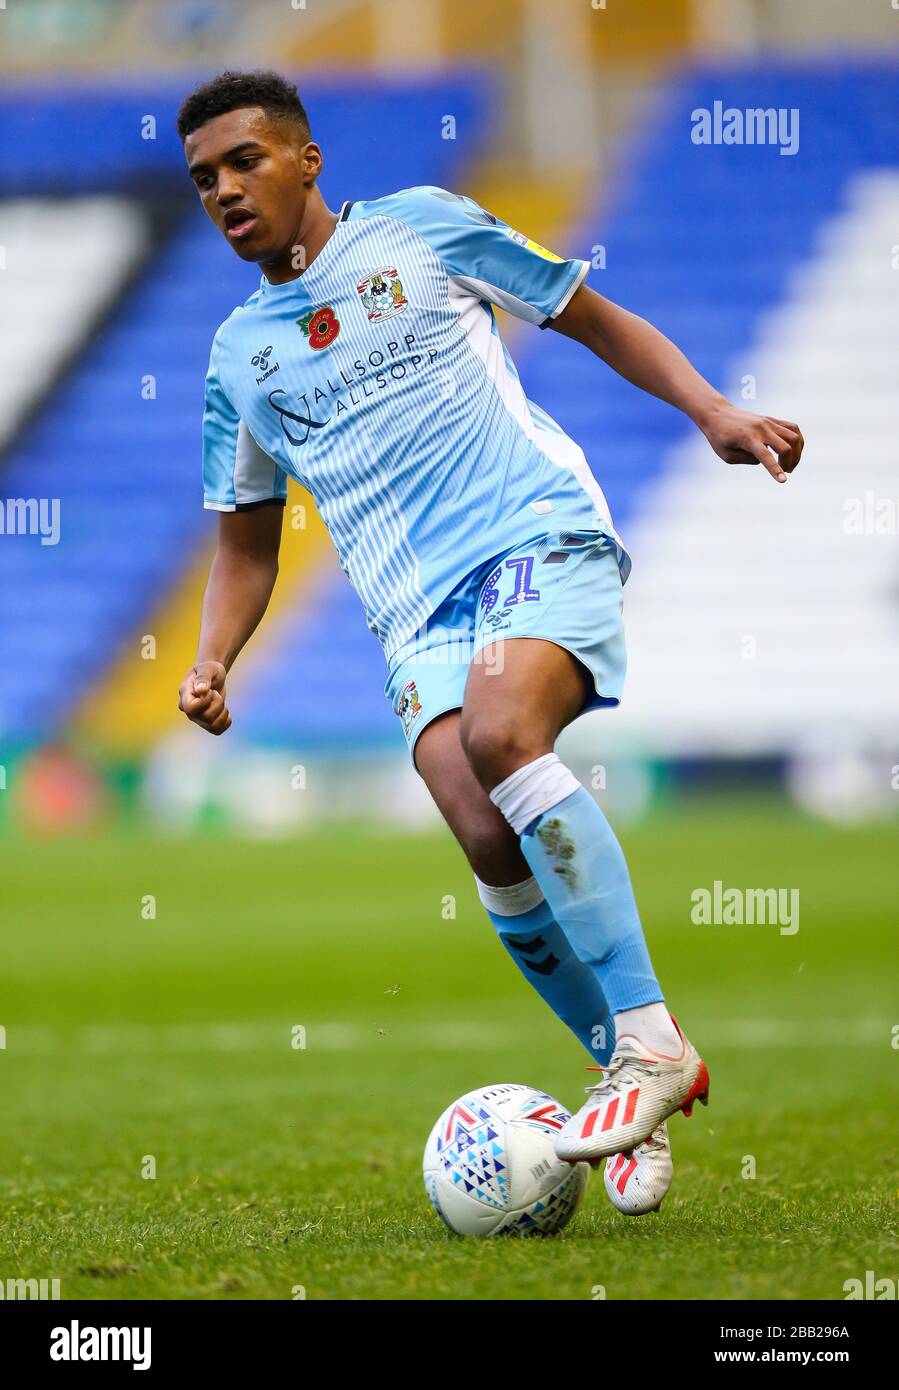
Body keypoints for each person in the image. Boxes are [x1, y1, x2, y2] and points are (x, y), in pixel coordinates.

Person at [176, 70, 804, 1215]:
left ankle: (652, 1045)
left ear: (307, 160)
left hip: (533, 533)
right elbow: (245, 548)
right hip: (415, 615)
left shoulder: (423, 227)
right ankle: (624, 1069)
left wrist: (711, 409)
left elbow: (586, 311)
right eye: (204, 177)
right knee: (477, 822)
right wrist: (215, 657)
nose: (223, 189)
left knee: (506, 731)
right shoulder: (237, 359)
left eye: (244, 162)